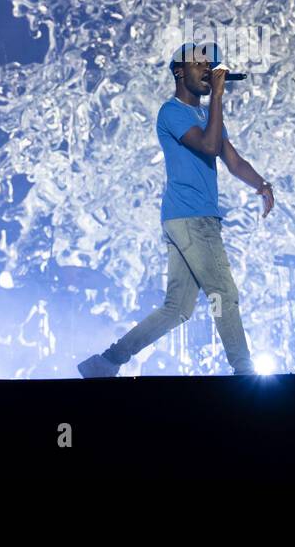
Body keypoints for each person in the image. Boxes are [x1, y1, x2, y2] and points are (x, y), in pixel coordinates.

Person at [77, 41, 274, 377]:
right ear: (179, 71)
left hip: (190, 219)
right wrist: (219, 96)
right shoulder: (172, 112)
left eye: (210, 67)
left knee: (178, 308)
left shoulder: (206, 116)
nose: (207, 71)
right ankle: (244, 373)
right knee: (223, 293)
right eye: (199, 65)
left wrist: (262, 185)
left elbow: (233, 160)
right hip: (192, 218)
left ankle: (106, 362)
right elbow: (209, 146)